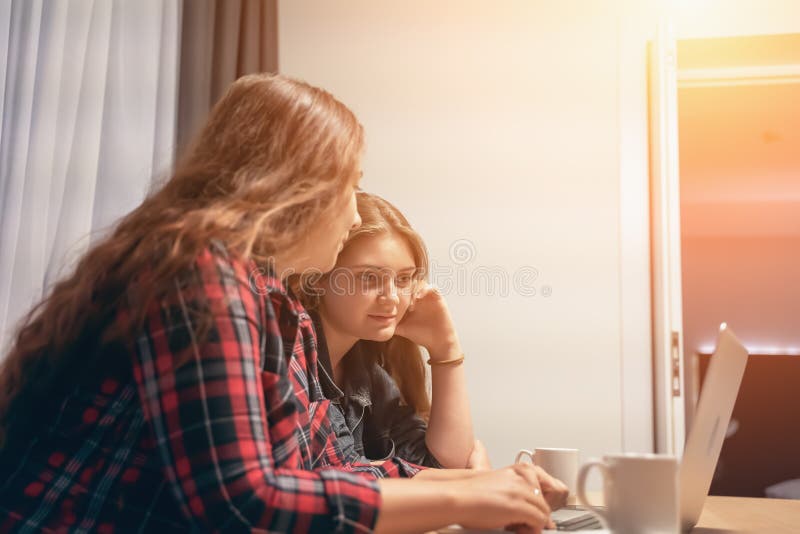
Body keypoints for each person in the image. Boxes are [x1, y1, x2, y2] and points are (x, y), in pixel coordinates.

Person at [0, 73, 564, 532]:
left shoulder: (268, 302)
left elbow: (325, 469)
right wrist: (465, 502)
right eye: (346, 188)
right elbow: (244, 500)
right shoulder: (199, 278)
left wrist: (484, 485)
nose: (350, 215)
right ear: (295, 188)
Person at [297, 192, 480, 470]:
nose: (392, 297)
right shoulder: (292, 362)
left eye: (404, 278)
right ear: (319, 277)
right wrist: (474, 482)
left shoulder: (371, 378)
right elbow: (353, 480)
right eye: (369, 277)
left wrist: (446, 349)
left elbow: (447, 462)